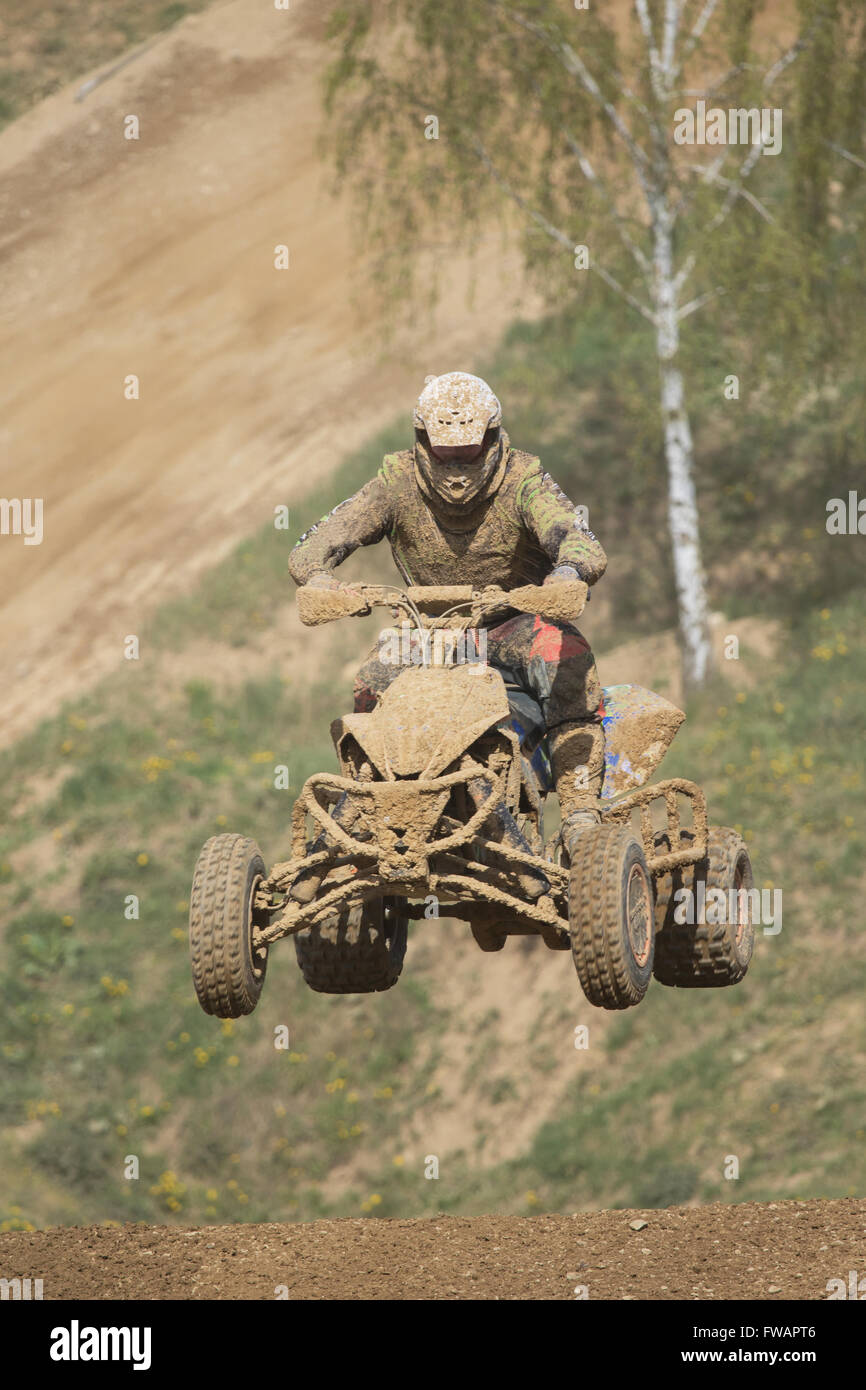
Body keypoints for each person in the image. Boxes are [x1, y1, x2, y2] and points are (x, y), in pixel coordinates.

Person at [288, 371, 607, 860]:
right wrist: (321, 579)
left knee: (561, 656)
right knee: (373, 678)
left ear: (493, 440)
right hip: (427, 630)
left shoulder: (523, 480)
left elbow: (576, 536)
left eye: (468, 452)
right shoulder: (395, 483)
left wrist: (567, 573)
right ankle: (371, 807)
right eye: (445, 453)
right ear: (422, 442)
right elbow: (314, 546)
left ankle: (581, 812)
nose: (457, 466)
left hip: (513, 619)